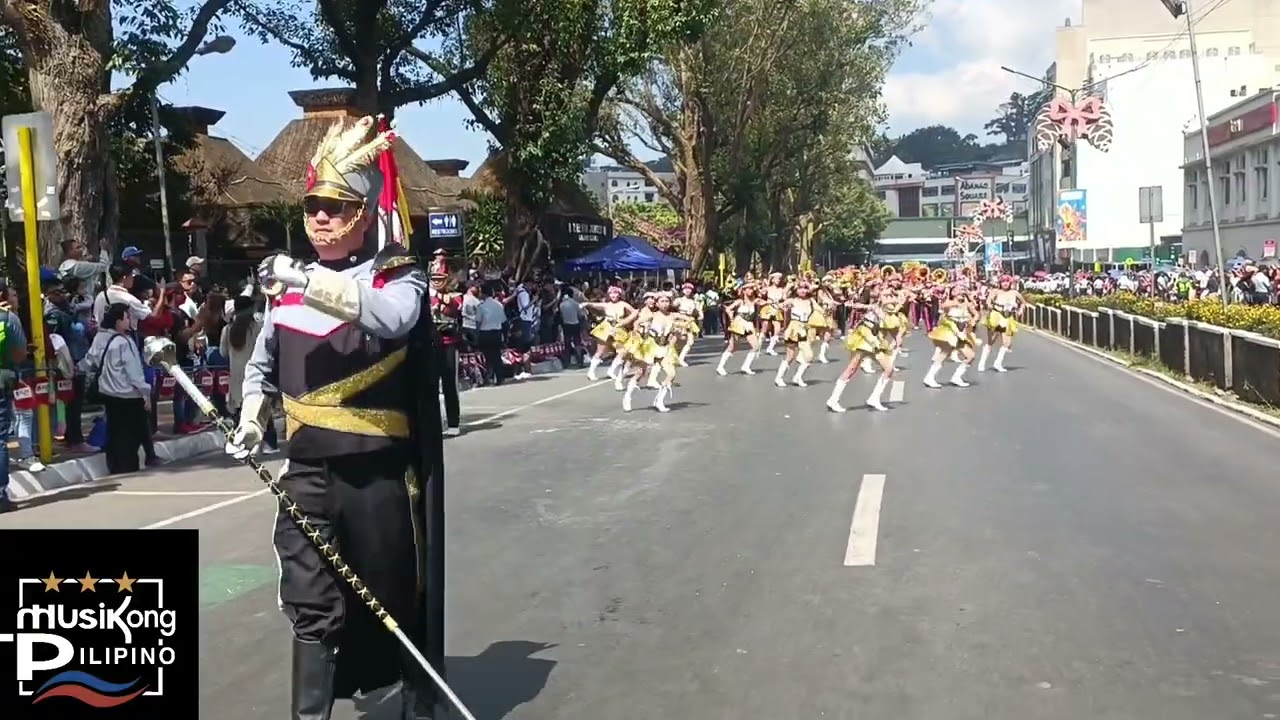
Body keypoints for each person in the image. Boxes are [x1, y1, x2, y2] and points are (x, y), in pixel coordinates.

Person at [227, 114, 445, 719]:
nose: (320, 216)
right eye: (314, 205)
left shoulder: (399, 274)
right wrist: (251, 419)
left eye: (335, 205)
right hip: (306, 473)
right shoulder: (284, 296)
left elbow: (390, 320)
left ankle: (415, 701)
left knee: (392, 593)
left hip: (375, 472)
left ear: (364, 211)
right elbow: (263, 366)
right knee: (309, 595)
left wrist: (307, 277)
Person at [78, 303, 150, 474]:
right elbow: (134, 372)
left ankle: (115, 465)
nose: (129, 320)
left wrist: (77, 368)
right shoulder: (125, 342)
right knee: (130, 433)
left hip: (108, 393)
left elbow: (90, 360)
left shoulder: (100, 338)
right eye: (127, 317)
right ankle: (129, 464)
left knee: (114, 430)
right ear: (118, 321)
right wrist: (145, 391)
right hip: (128, 394)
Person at [219, 295, 278, 454]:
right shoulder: (257, 327)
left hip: (236, 376)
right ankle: (270, 444)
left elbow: (223, 352)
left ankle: (244, 445)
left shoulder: (227, 330)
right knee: (262, 407)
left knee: (240, 411)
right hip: (255, 372)